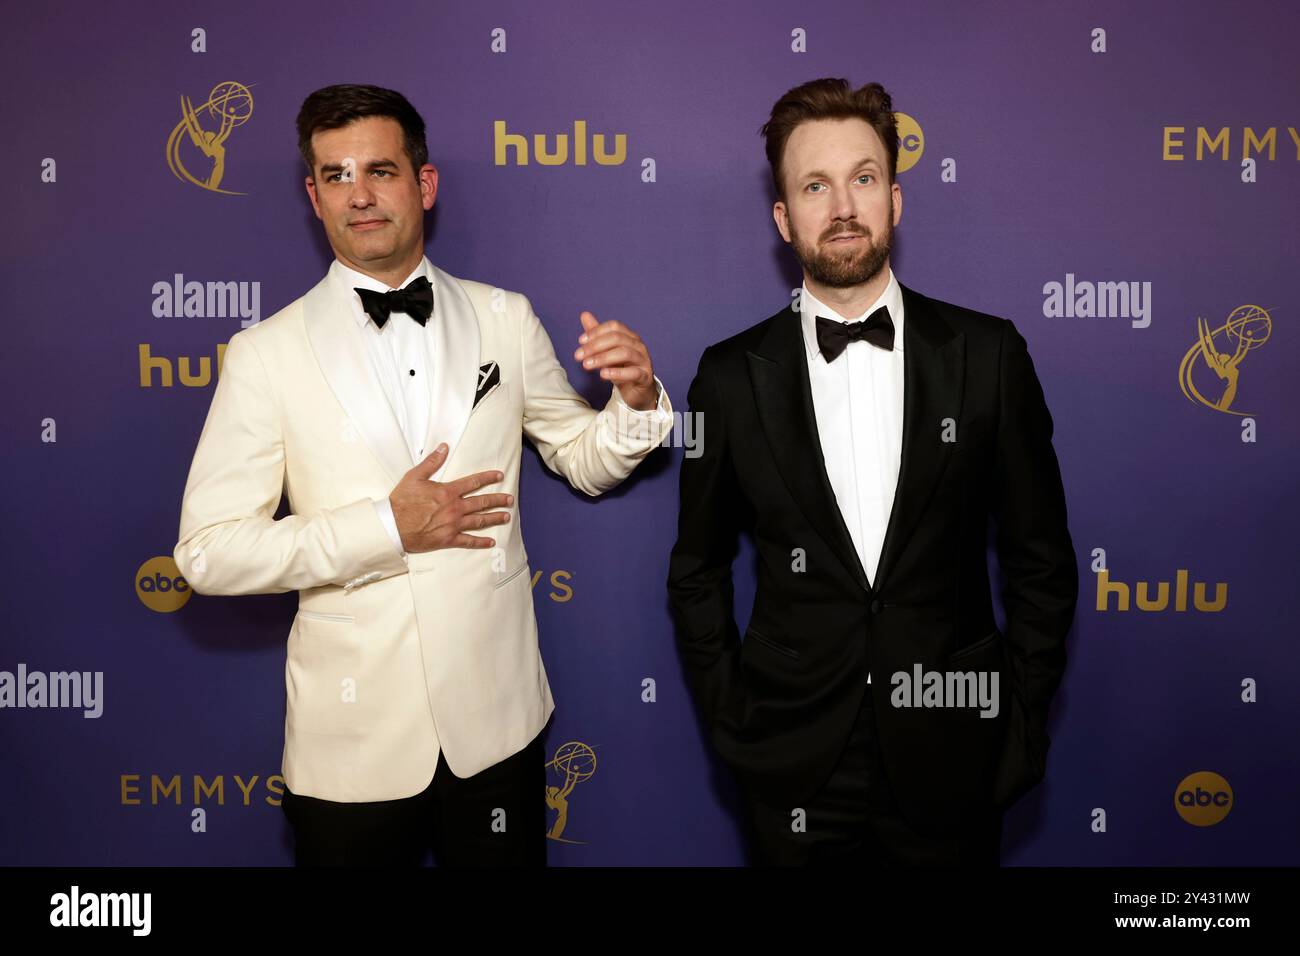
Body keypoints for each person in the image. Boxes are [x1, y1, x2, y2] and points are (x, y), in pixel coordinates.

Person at [173, 84, 672, 866]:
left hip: (498, 729)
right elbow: (207, 553)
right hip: (352, 749)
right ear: (313, 196)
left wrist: (633, 400)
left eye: (380, 169)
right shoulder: (264, 354)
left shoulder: (504, 316)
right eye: (336, 176)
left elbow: (582, 458)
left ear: (424, 184)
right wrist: (383, 529)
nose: (360, 195)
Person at [666, 78, 1078, 866]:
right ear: (784, 219)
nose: (843, 206)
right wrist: (735, 724)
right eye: (815, 186)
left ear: (896, 197)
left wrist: (1019, 727)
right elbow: (697, 570)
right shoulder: (728, 378)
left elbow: (1042, 562)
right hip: (792, 766)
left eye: (862, 179)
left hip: (955, 753)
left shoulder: (988, 357)